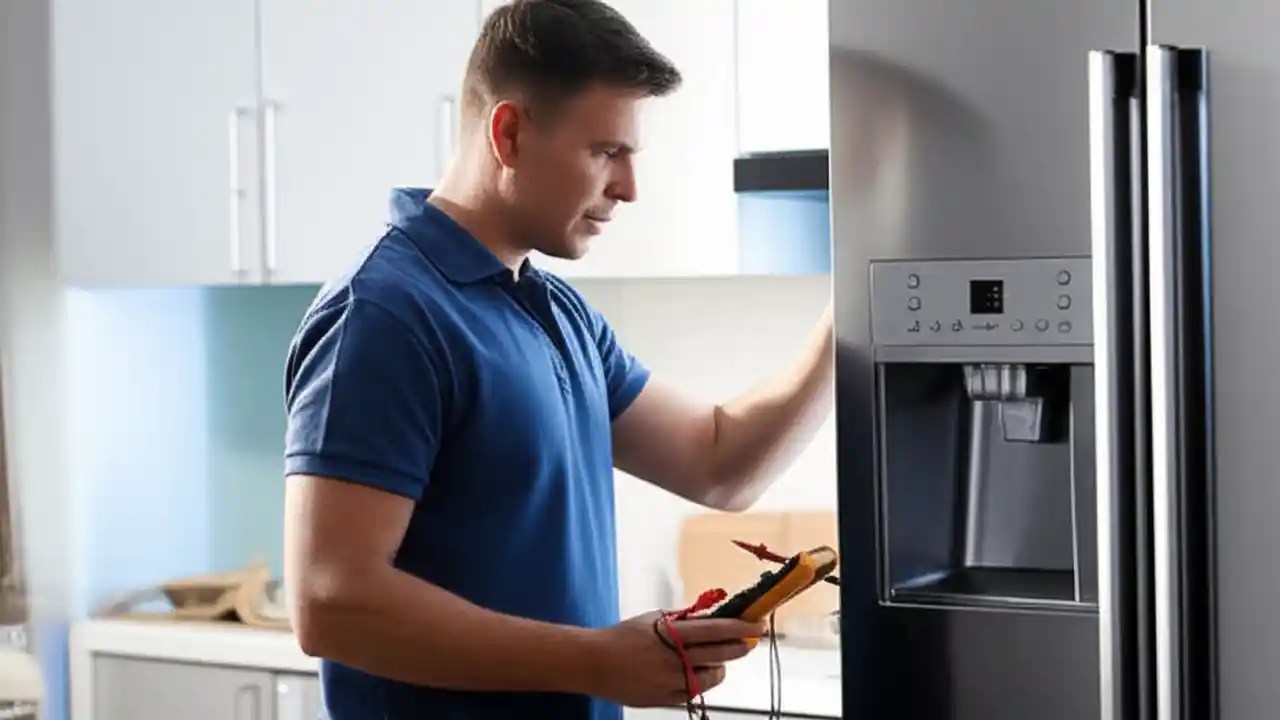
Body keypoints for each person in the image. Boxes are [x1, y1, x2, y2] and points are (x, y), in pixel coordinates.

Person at [281, 1, 835, 718]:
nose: (629, 186)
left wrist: (857, 299)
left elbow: (721, 462)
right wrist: (594, 660)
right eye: (606, 151)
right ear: (508, 133)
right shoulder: (385, 316)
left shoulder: (555, 311)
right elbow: (331, 604)